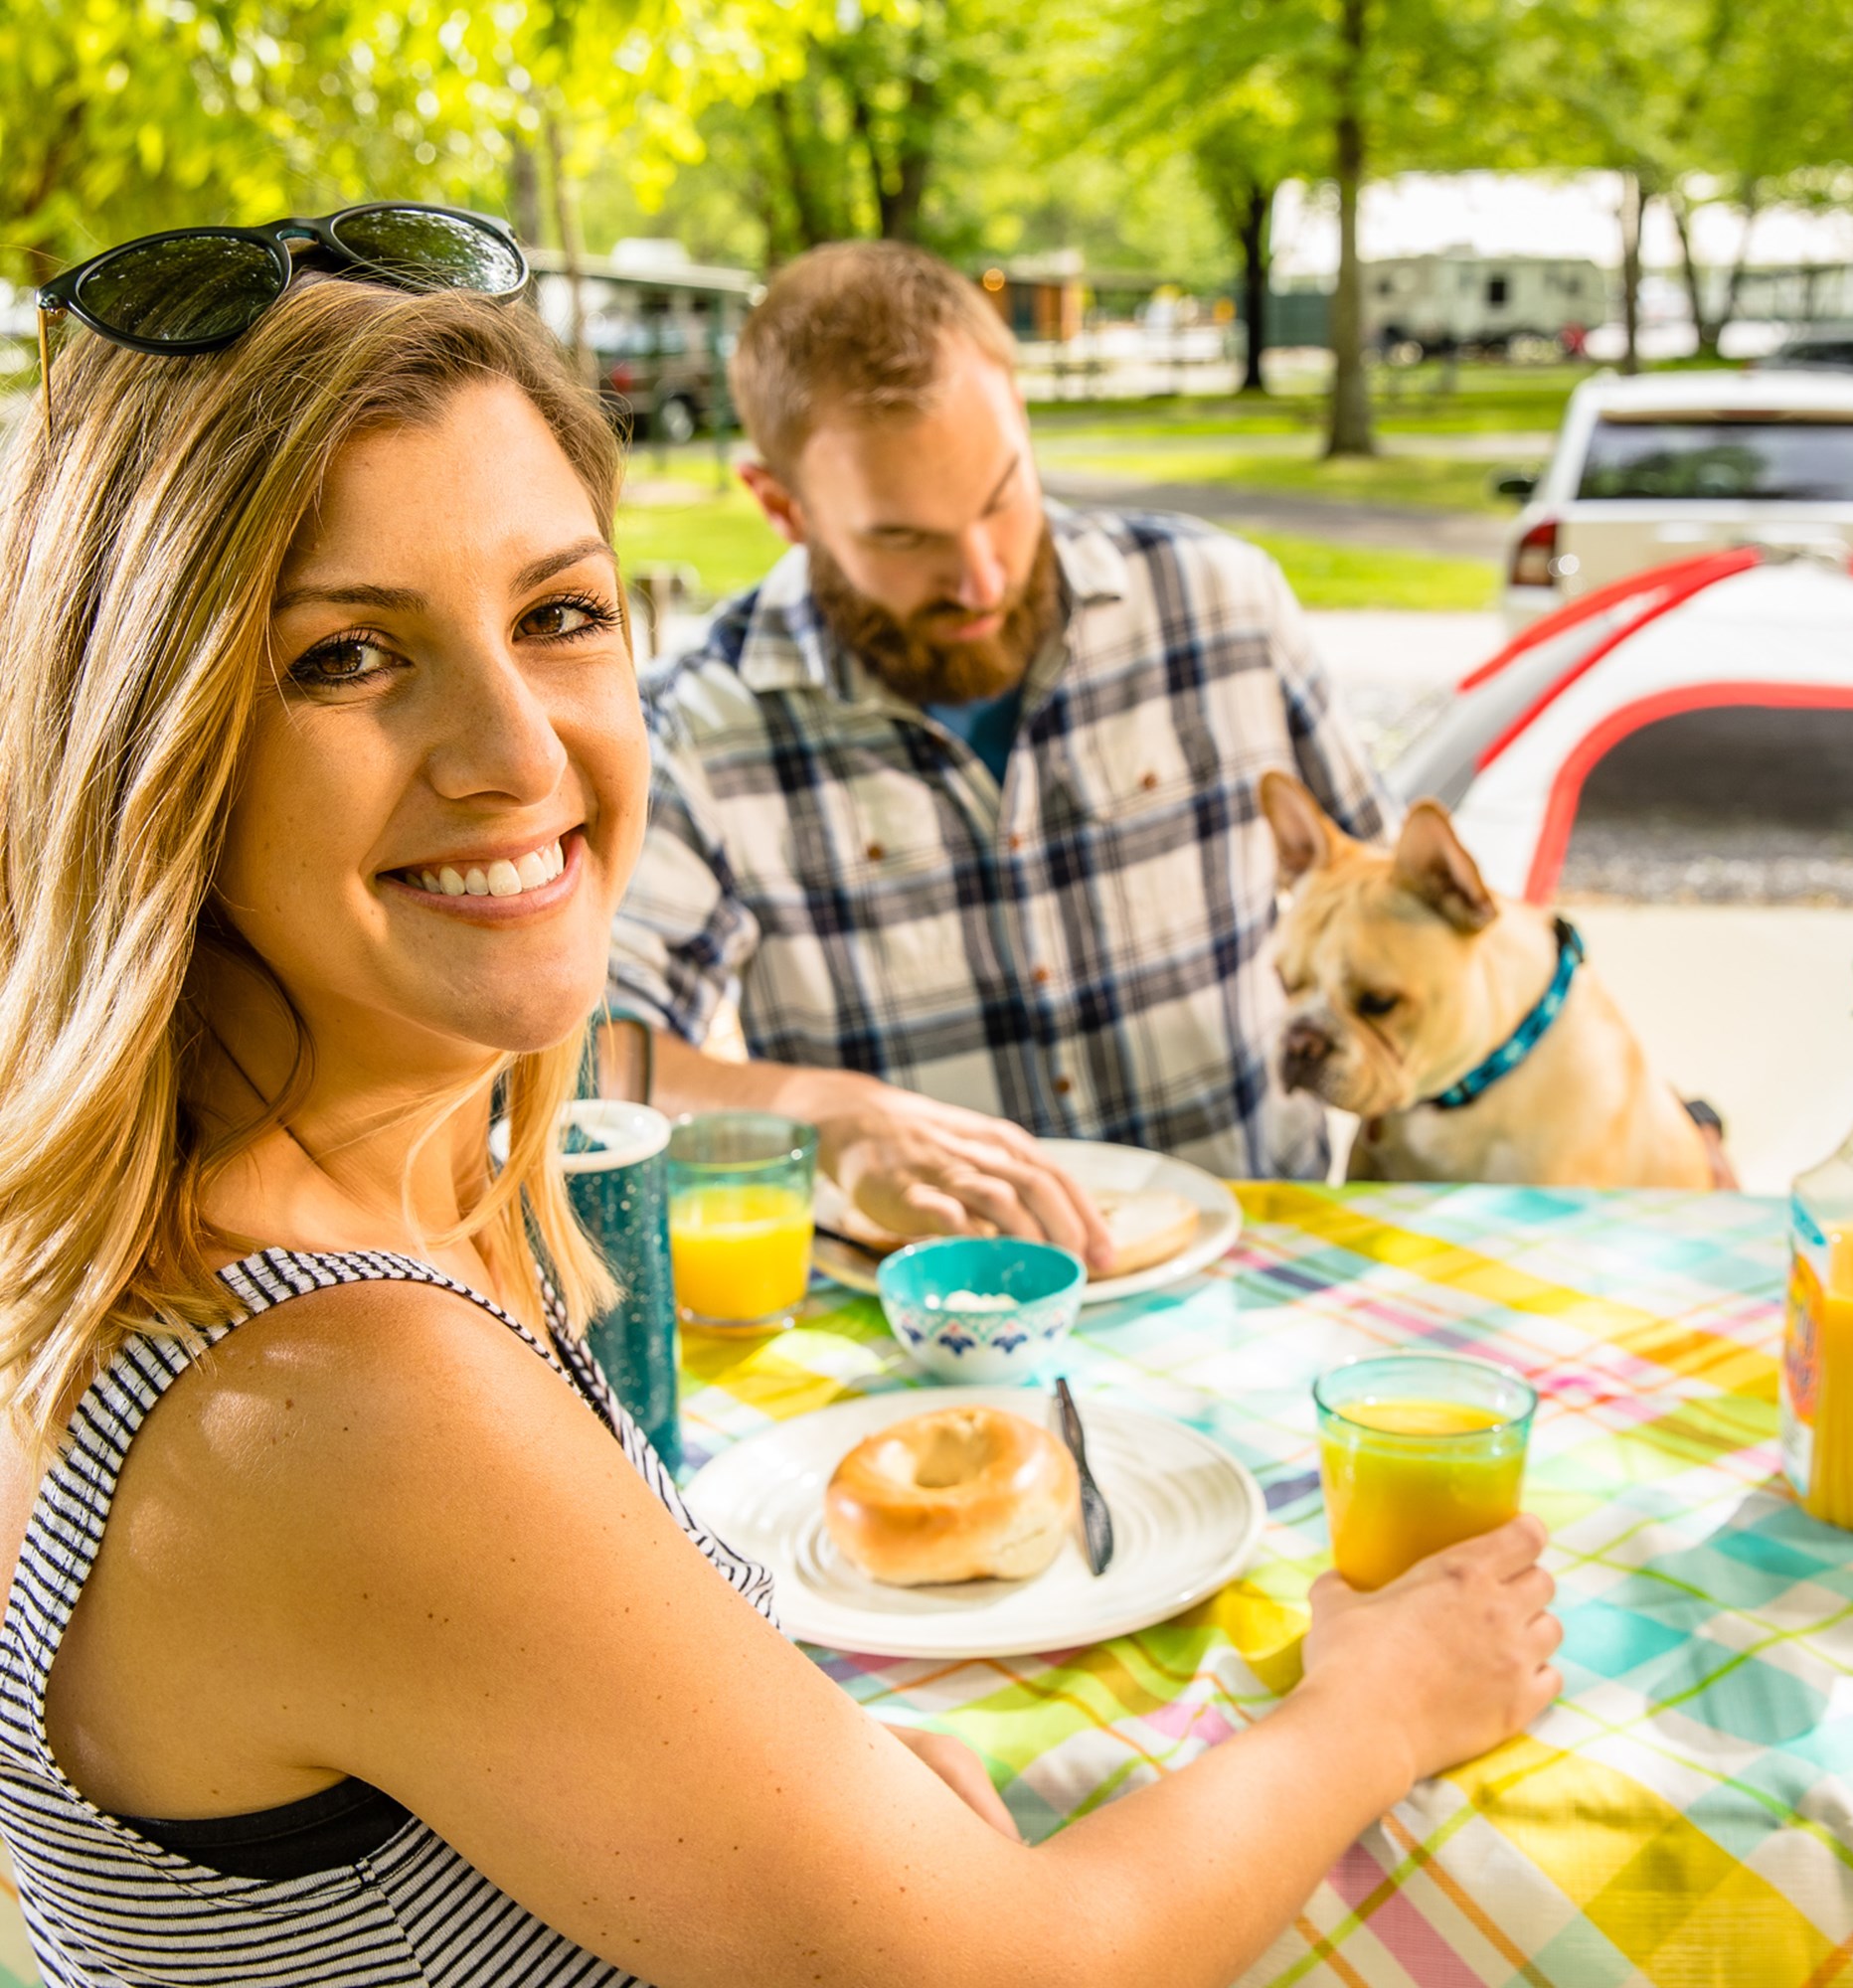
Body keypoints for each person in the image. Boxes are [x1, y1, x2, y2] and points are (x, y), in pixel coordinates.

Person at [0, 218, 1558, 1987]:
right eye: (344, 655)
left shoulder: (279, 1236)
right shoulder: (348, 1393)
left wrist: (837, 1811)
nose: (518, 753)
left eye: (560, 613)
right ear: (142, 742)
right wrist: (1376, 1707)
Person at [610, 242, 1392, 1263]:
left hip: (1256, 1275)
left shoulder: (1224, 605)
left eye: (1000, 496)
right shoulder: (694, 726)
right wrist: (821, 1115)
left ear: (1020, 414)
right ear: (781, 508)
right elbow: (585, 1057)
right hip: (940, 1321)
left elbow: (1389, 903)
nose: (978, 576)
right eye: (903, 539)